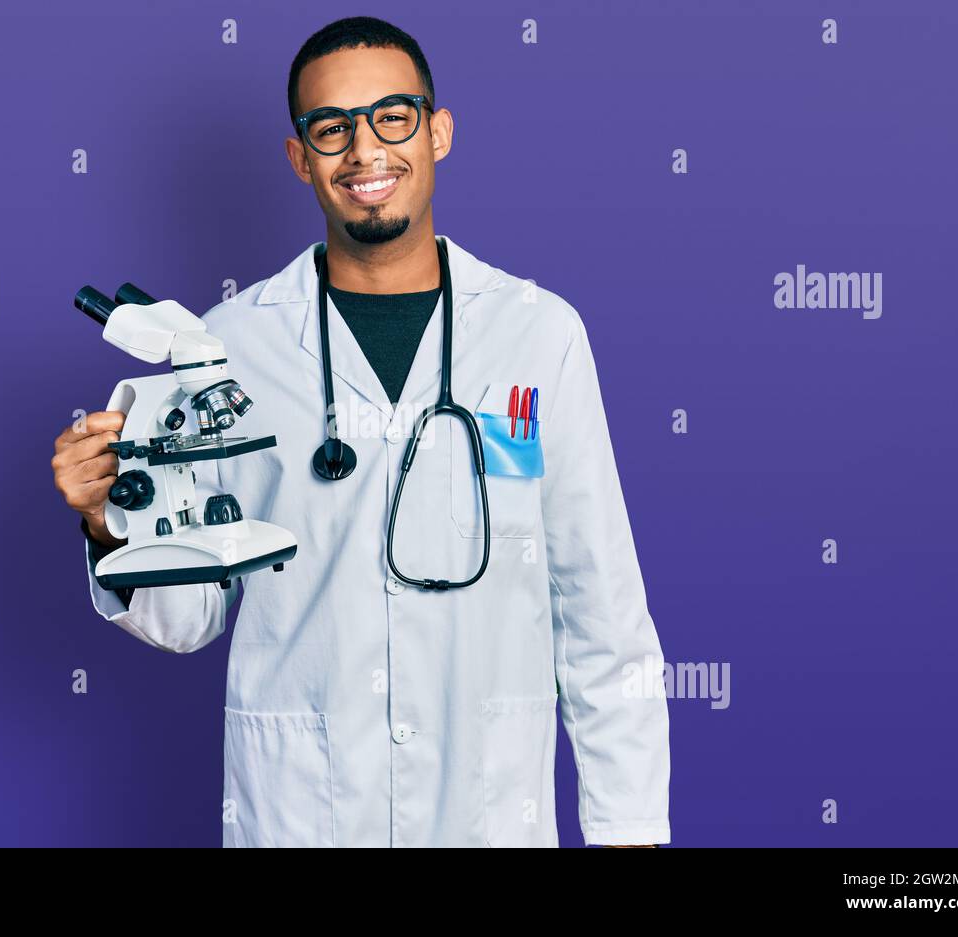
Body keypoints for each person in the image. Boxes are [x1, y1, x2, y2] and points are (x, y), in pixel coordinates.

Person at [51, 15, 670, 848]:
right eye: (332, 128)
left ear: (438, 131)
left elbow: (602, 617)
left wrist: (628, 833)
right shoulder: (229, 347)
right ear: (299, 157)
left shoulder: (538, 334)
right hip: (299, 813)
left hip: (487, 815)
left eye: (394, 116)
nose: (366, 150)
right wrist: (105, 519)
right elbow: (188, 615)